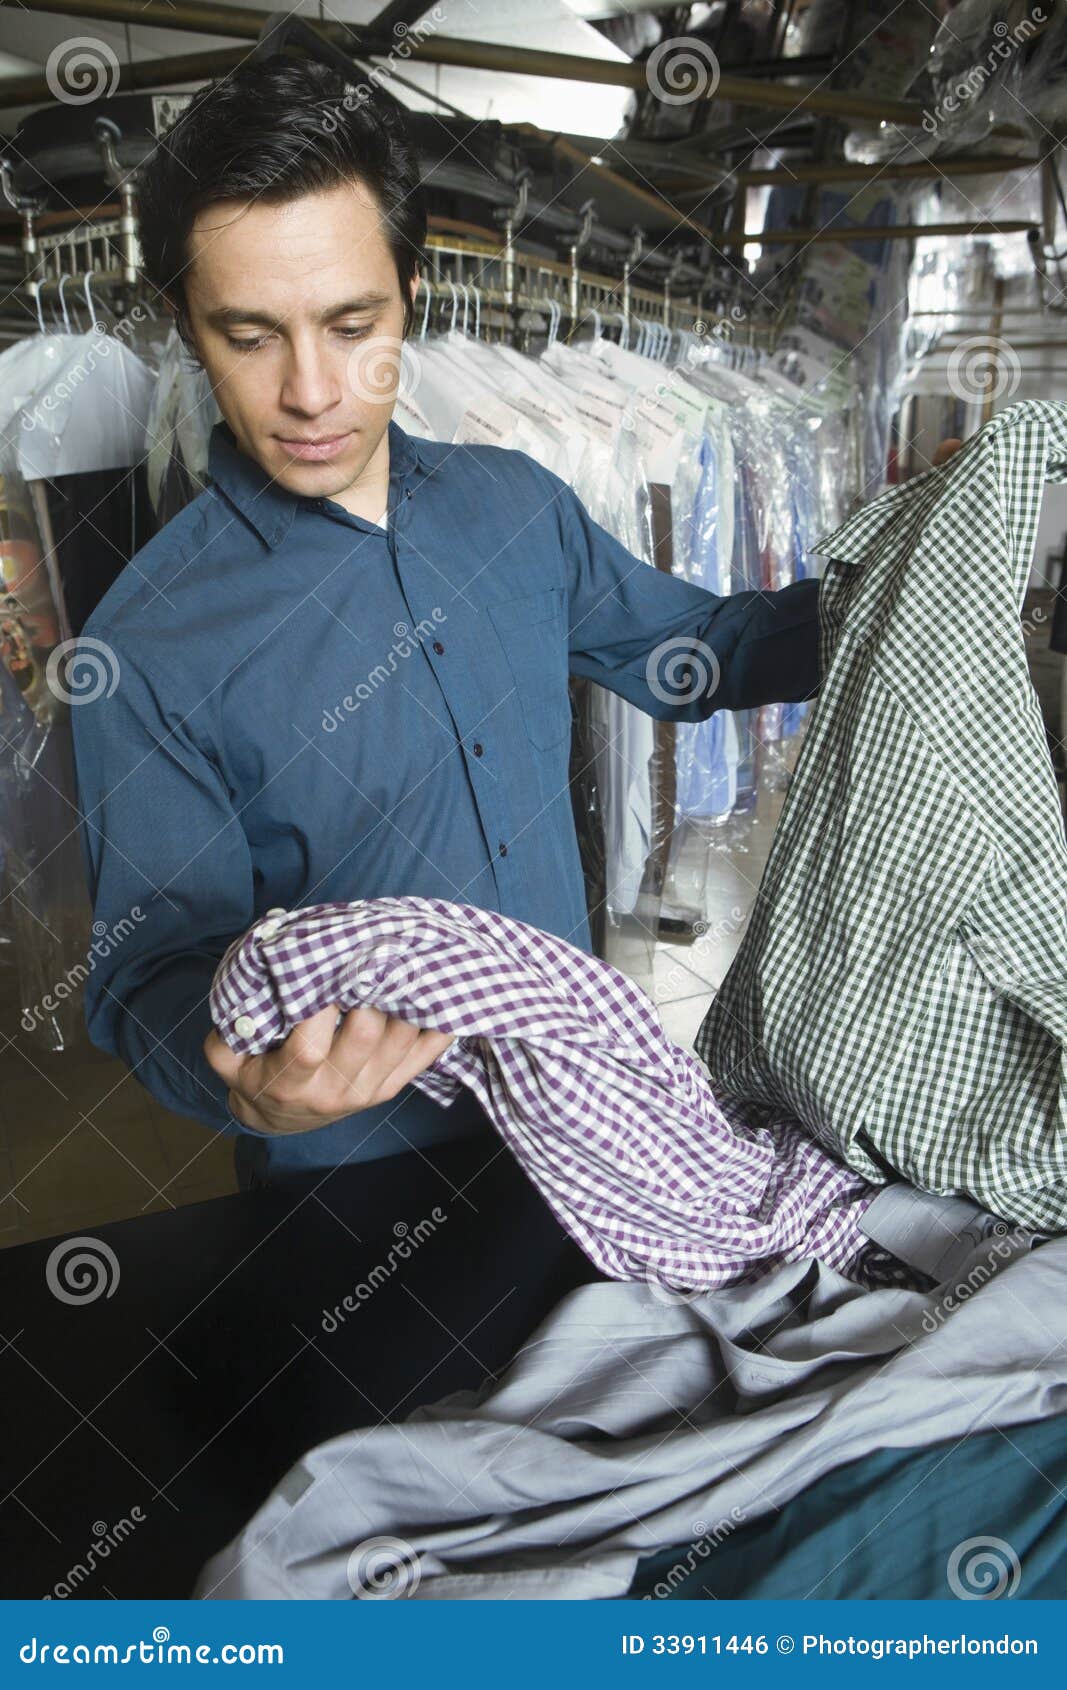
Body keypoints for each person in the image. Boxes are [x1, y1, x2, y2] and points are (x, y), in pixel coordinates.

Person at [67, 58, 885, 1189]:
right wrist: (239, 1082)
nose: (310, 390)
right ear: (184, 328)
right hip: (353, 1180)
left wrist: (898, 590)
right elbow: (145, 975)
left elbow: (702, 656)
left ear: (412, 293)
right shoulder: (150, 646)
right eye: (250, 336)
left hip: (588, 1121)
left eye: (352, 324)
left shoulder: (519, 504)